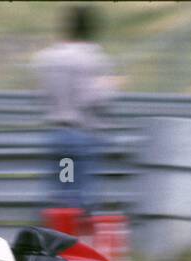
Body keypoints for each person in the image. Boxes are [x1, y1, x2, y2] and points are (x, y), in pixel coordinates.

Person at [32, 5, 117, 217]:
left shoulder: (48, 58)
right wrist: (109, 85)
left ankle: (56, 242)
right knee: (81, 198)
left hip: (56, 134)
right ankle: (75, 244)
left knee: (60, 194)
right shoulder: (92, 58)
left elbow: (41, 95)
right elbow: (95, 99)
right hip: (82, 135)